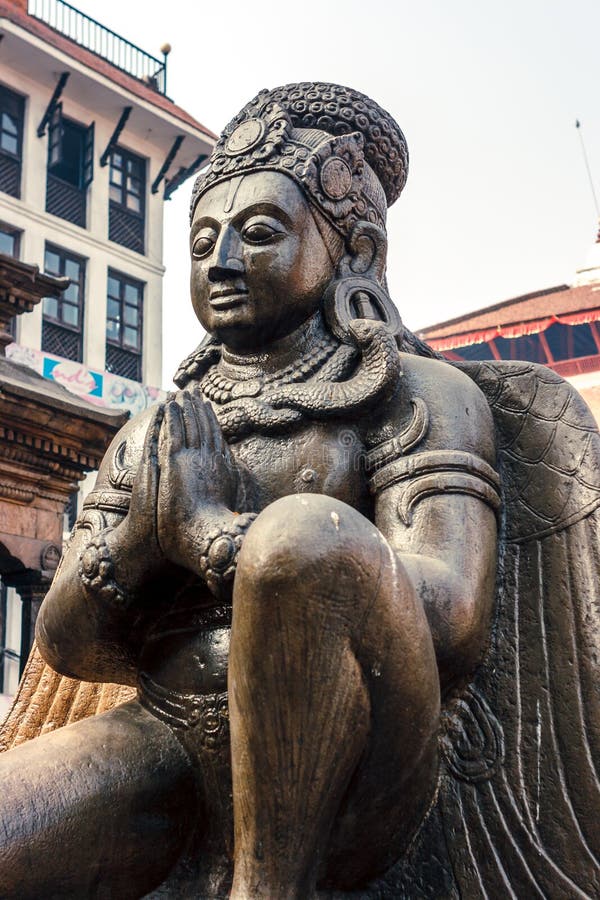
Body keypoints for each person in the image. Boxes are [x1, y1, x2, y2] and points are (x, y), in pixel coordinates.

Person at [0, 83, 503, 898]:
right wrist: (135, 543)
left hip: (358, 744)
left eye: (259, 233)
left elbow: (450, 613)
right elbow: (67, 643)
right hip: (169, 727)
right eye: (202, 241)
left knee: (303, 536)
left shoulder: (418, 394)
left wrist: (212, 534)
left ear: (357, 253)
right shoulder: (162, 427)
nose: (221, 262)